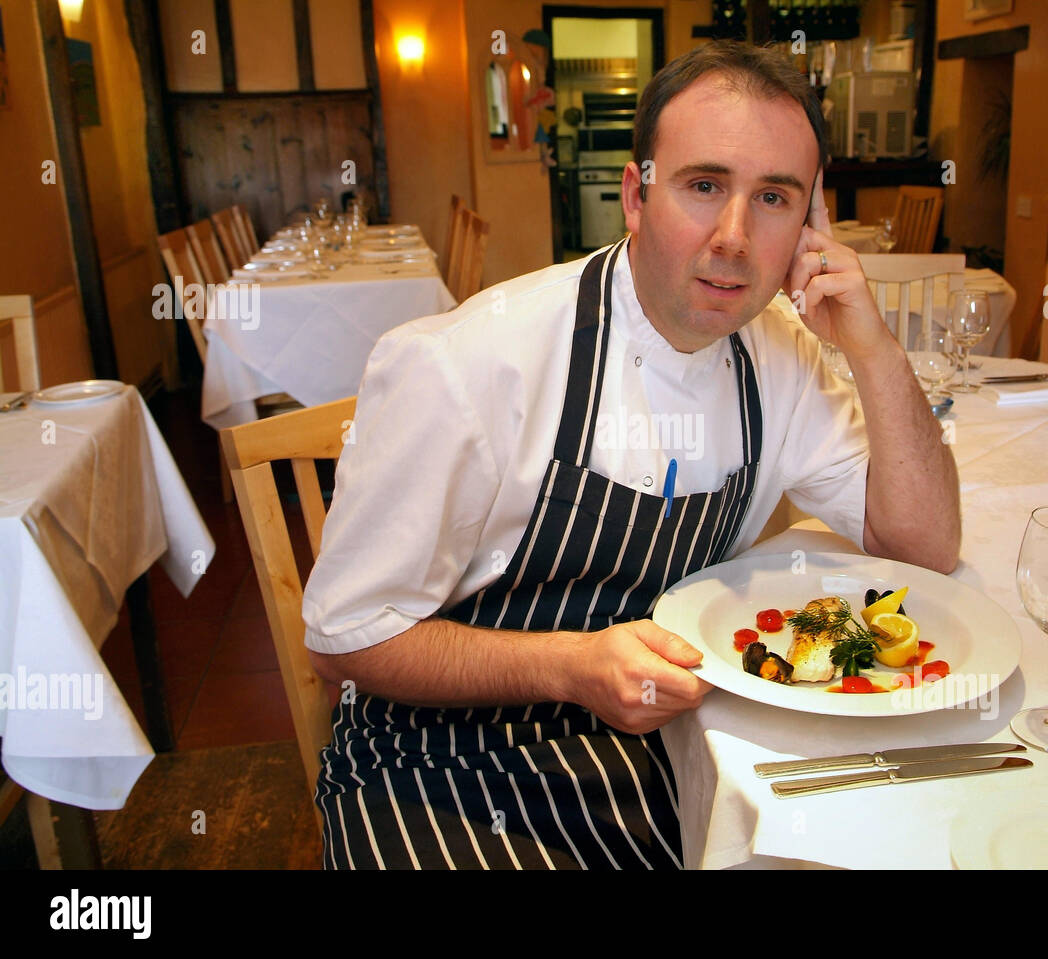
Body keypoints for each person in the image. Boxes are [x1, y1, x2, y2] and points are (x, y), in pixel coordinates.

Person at [300, 40, 960, 870]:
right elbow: (343, 640)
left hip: (649, 751)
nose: (733, 237)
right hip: (437, 765)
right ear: (636, 197)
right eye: (704, 185)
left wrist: (872, 346)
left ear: (810, 225)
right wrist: (571, 666)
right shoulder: (467, 363)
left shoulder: (785, 357)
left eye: (774, 199)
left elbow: (922, 550)